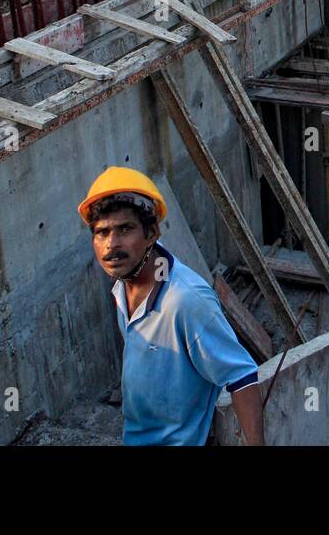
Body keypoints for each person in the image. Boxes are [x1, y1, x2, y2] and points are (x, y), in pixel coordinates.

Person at [80, 166, 265, 446]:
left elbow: (241, 375)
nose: (111, 245)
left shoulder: (185, 300)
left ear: (152, 232)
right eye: (101, 233)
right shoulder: (122, 285)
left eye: (125, 229)